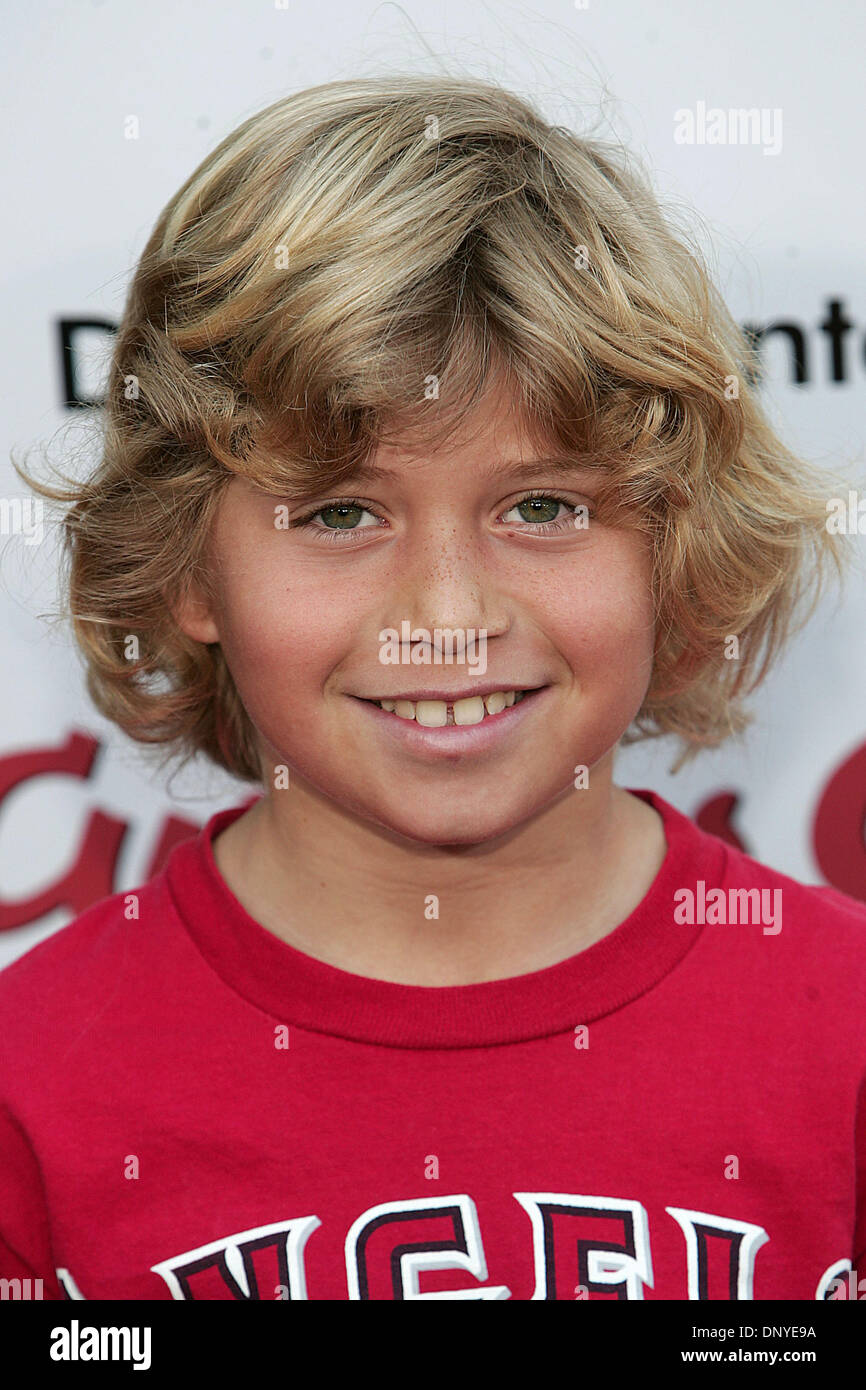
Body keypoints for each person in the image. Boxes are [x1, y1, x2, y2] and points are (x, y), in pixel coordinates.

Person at [2, 73, 864, 1302]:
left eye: (543, 508)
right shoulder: (30, 1085)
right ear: (190, 567)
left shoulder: (844, 1037)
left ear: (674, 549)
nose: (447, 620)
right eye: (340, 512)